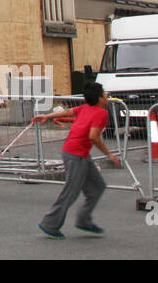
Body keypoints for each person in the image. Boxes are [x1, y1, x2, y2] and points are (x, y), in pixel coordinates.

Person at [34, 82, 120, 239]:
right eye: (104, 93)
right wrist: (109, 154)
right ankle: (50, 224)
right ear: (99, 97)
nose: (107, 95)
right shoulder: (101, 113)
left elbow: (67, 112)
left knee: (97, 186)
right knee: (71, 192)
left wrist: (47, 116)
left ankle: (83, 220)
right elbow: (93, 136)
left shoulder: (85, 108)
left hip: (78, 154)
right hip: (75, 155)